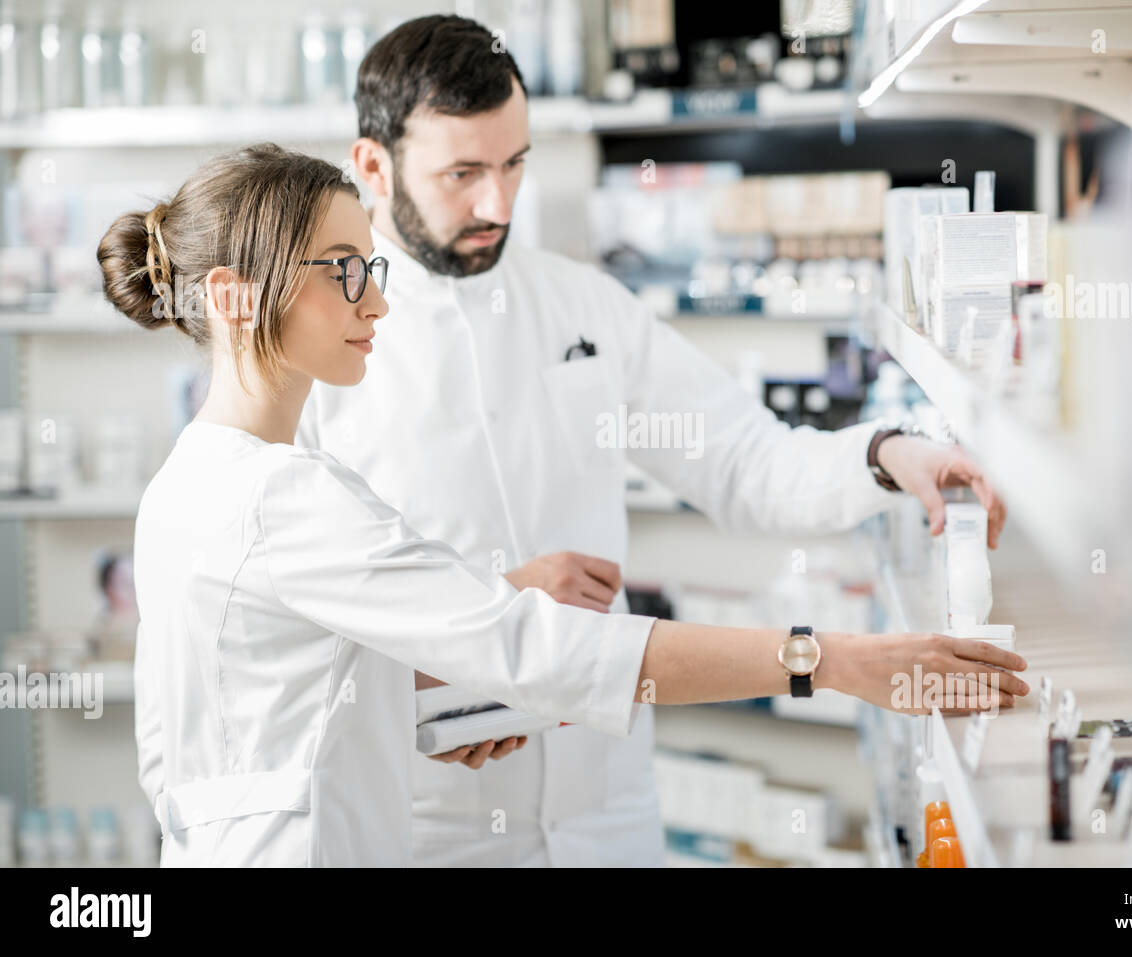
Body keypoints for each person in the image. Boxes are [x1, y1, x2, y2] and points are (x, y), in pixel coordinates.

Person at [102, 143, 1026, 867]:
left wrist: (440, 694)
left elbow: (281, 698)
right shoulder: (275, 492)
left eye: (371, 268)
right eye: (344, 270)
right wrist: (829, 660)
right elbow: (530, 649)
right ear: (231, 296)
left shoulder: (197, 481)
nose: (375, 303)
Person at [296, 15, 1011, 868]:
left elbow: (749, 460)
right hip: (433, 825)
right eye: (463, 173)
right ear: (372, 165)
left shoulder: (583, 306)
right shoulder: (320, 347)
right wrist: (469, 642)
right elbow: (299, 627)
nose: (499, 203)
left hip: (607, 810)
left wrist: (889, 454)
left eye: (515, 164)